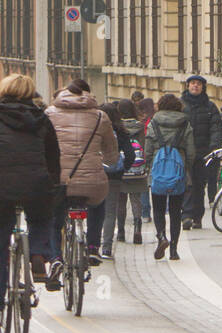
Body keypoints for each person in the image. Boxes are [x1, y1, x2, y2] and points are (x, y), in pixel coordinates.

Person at [0, 74, 61, 327]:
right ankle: (37, 253)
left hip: (0, 188)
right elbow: (53, 158)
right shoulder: (42, 119)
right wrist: (52, 184)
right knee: (41, 218)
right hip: (34, 184)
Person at [46, 78, 118, 271]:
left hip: (59, 180)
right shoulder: (100, 116)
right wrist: (110, 161)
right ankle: (94, 245)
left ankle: (55, 258)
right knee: (98, 202)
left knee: (54, 218)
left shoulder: (50, 114)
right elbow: (111, 153)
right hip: (92, 182)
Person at [145, 93, 195, 261]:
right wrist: (187, 168)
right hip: (178, 168)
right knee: (175, 211)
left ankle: (161, 237)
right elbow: (191, 151)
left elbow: (148, 149)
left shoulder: (153, 123)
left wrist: (149, 165)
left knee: (158, 208)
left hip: (158, 169)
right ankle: (174, 250)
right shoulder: (185, 123)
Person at [180, 73, 222, 230]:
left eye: (198, 83)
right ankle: (186, 215)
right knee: (185, 184)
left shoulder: (210, 107)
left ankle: (197, 216)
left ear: (203, 87)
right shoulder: (181, 105)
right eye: (192, 83)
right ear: (188, 86)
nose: (195, 86)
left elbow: (216, 128)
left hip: (203, 153)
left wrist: (214, 146)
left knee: (199, 185)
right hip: (184, 152)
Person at [100, 102, 133, 259]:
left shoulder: (94, 130)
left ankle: (90, 244)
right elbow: (130, 155)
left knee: (94, 210)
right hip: (113, 175)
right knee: (110, 211)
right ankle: (106, 247)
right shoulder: (121, 131)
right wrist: (122, 168)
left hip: (94, 173)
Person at [137, 98, 156, 221]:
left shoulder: (139, 123)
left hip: (141, 157)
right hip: (153, 156)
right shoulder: (155, 121)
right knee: (154, 184)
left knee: (143, 186)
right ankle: (161, 209)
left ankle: (145, 213)